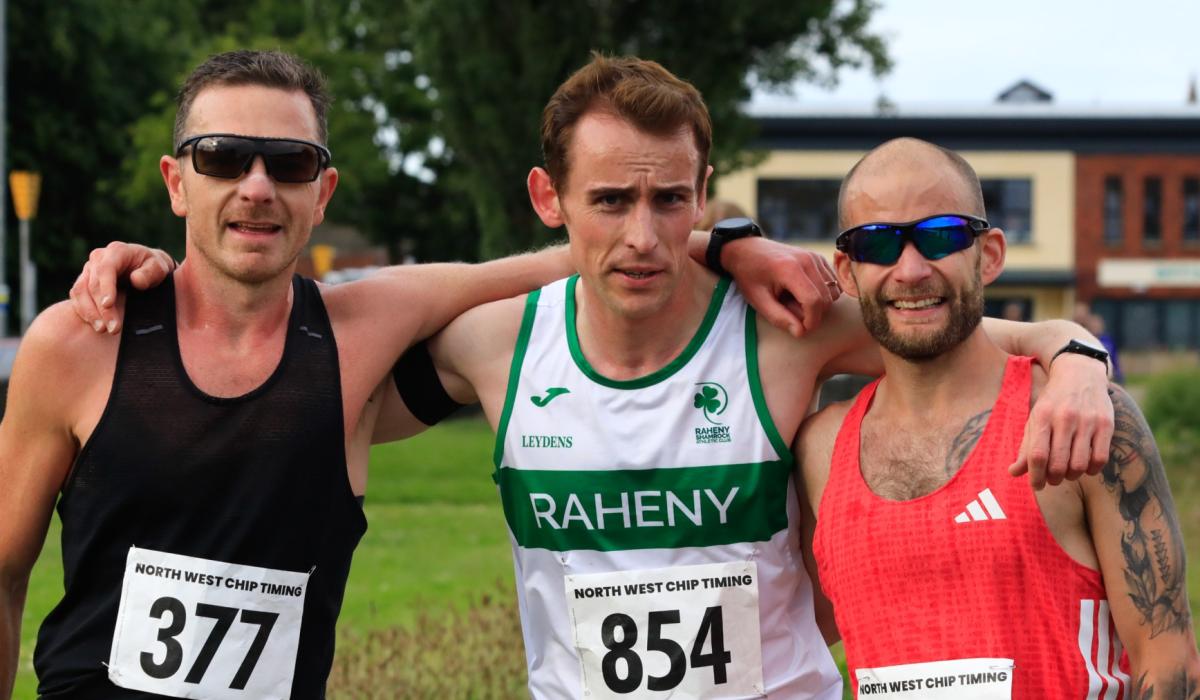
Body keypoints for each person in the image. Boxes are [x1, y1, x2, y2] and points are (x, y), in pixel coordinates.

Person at [68, 56, 1114, 699]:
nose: (646, 235)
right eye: (610, 198)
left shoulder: (784, 330)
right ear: (547, 197)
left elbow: (952, 319)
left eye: (672, 202)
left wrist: (1073, 352)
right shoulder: (491, 342)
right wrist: (158, 283)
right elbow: (273, 370)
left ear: (705, 195)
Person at [0, 49, 594, 700]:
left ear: (321, 192)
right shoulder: (82, 342)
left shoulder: (360, 333)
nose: (257, 187)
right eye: (222, 157)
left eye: (289, 163)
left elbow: (573, 261)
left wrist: (710, 241)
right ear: (177, 183)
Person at [796, 138, 1200, 697]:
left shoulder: (1075, 418)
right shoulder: (819, 448)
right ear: (846, 269)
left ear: (988, 255)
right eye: (878, 243)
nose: (910, 270)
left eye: (941, 236)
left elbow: (1169, 661)